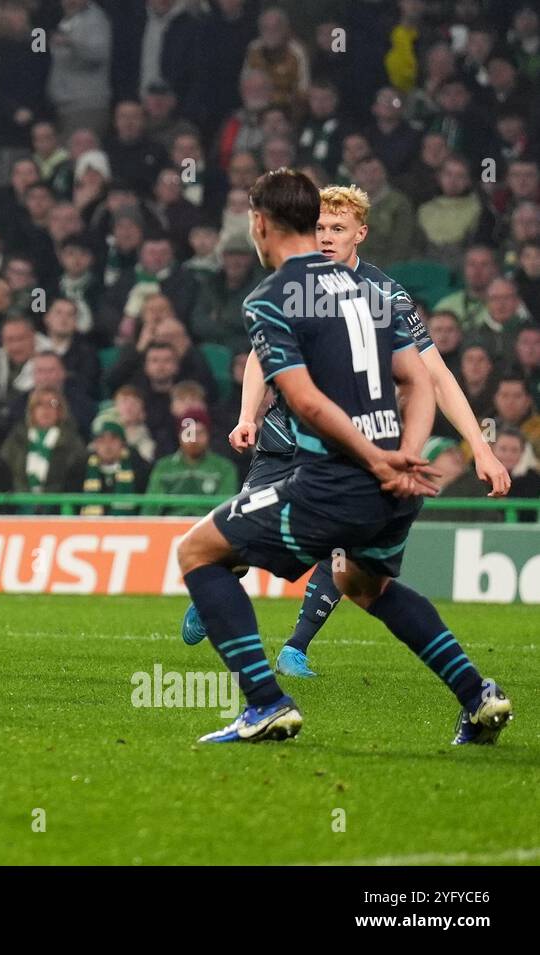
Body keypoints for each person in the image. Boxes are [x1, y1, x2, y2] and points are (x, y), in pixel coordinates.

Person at [176, 168, 512, 745]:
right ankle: (478, 696)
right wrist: (403, 454)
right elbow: (420, 379)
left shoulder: (272, 296)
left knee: (196, 550)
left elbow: (305, 400)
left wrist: (372, 458)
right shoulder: (376, 292)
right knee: (363, 584)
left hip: (336, 479)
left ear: (260, 224)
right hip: (391, 483)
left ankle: (265, 703)